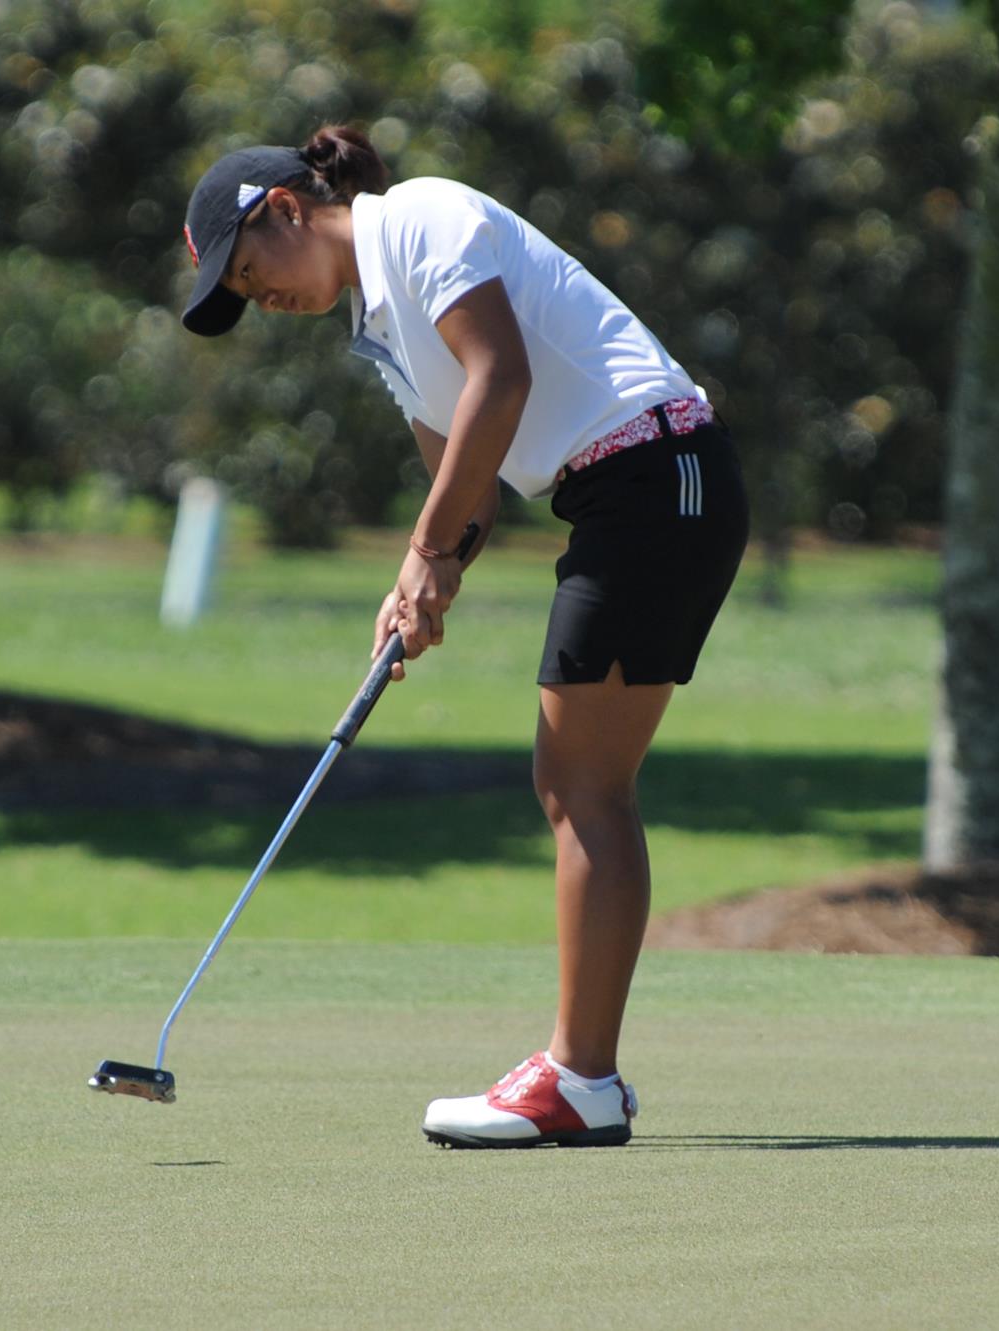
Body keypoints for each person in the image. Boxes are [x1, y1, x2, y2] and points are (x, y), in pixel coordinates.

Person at [179, 125, 749, 1148]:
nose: (256, 297)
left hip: (659, 475)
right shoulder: (380, 326)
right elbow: (468, 482)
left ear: (282, 207)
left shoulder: (422, 217)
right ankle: (583, 1075)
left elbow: (501, 380)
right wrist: (422, 582)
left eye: (249, 269)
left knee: (581, 785)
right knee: (573, 782)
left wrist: (426, 547)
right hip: (627, 494)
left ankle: (579, 1078)